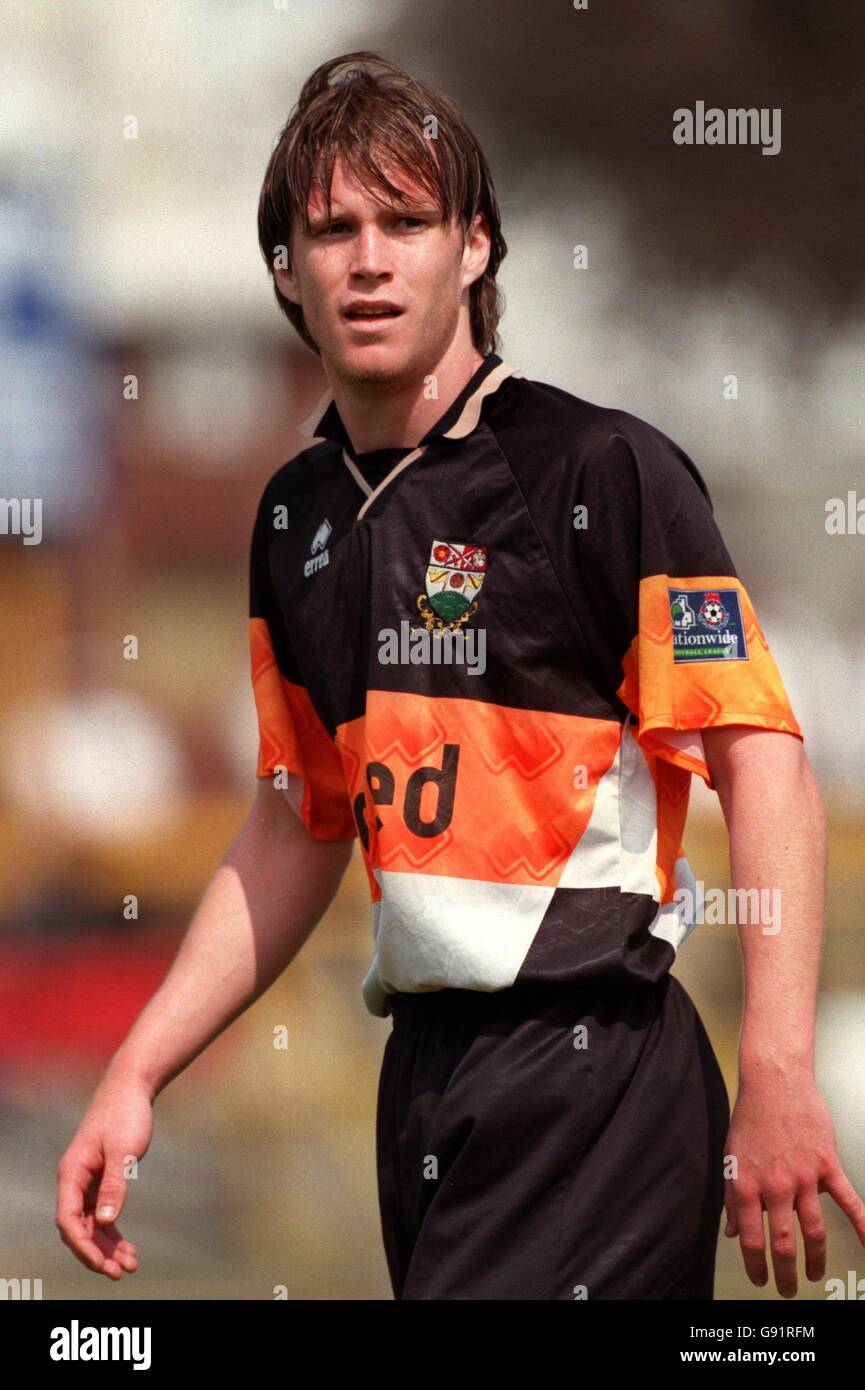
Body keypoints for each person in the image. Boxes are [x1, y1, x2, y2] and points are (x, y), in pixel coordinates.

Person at [57, 50, 864, 1301]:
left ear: (474, 247)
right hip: (426, 1082)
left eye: (407, 221)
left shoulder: (601, 470)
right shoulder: (294, 519)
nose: (368, 259)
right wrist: (138, 1068)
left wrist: (777, 1066)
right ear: (286, 271)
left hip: (595, 1077)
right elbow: (294, 818)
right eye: (332, 229)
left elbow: (766, 767)